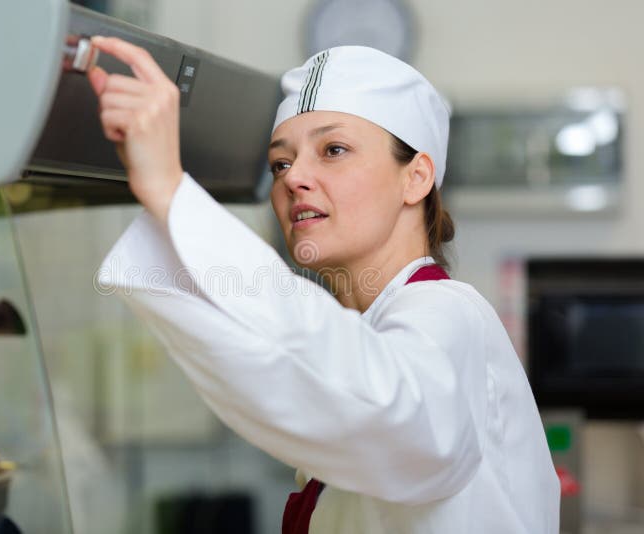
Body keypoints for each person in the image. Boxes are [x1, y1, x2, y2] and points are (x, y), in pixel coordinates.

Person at [88, 36, 560, 533]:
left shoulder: (448, 313)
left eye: (333, 150)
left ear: (417, 178)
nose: (294, 179)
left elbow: (389, 414)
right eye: (281, 163)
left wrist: (169, 188)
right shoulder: (373, 330)